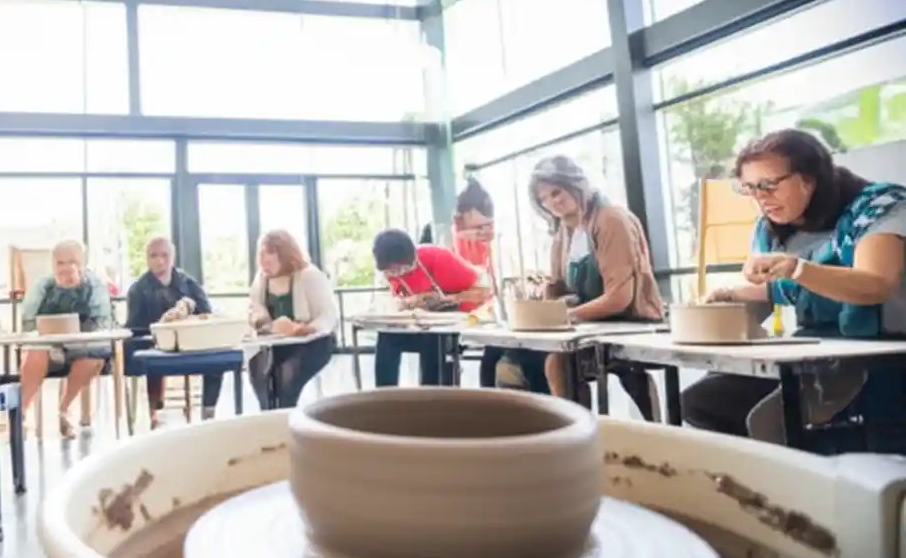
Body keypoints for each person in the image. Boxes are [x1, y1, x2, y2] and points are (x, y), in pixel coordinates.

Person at [682, 129, 906, 448]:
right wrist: (729, 293)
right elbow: (786, 298)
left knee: (773, 422)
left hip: (883, 358)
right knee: (702, 401)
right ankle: (753, 488)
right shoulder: (773, 227)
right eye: (749, 188)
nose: (761, 197)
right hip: (815, 356)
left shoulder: (877, 206)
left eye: (769, 185)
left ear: (809, 178)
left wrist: (797, 269)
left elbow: (876, 284)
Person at [521, 156, 664, 400]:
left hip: (631, 322)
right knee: (518, 359)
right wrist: (540, 305)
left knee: (557, 363)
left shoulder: (611, 219)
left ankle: (581, 430)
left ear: (577, 185)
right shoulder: (562, 232)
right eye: (543, 199)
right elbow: (558, 287)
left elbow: (620, 297)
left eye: (556, 193)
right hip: (589, 325)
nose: (551, 203)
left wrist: (565, 316)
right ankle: (566, 429)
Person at [124, 236, 224, 427]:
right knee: (149, 356)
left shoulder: (188, 283)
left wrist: (186, 314)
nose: (159, 260)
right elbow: (134, 327)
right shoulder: (137, 289)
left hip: (190, 342)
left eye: (164, 255)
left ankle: (208, 410)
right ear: (147, 259)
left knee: (217, 355)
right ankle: (154, 408)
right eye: (154, 255)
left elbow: (206, 313)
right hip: (154, 343)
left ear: (173, 257)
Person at [371, 228, 490, 386]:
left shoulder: (438, 257)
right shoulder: (393, 274)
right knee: (387, 336)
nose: (397, 274)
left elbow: (483, 291)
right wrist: (409, 303)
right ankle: (384, 397)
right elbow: (400, 299)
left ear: (412, 256)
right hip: (422, 323)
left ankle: (430, 396)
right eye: (390, 272)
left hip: (459, 323)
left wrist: (448, 299)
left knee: (434, 338)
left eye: (401, 269)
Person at [19, 238, 113, 439]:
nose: (66, 267)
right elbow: (27, 320)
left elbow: (103, 322)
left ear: (83, 263)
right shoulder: (43, 285)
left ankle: (65, 409)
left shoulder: (94, 286)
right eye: (60, 263)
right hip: (51, 345)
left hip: (84, 345)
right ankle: (19, 414)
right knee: (36, 351)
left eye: (73, 261)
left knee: (93, 357)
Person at [247, 230, 337, 408]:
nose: (265, 259)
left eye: (271, 253)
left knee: (286, 376)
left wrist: (306, 329)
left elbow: (328, 315)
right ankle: (268, 414)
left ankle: (285, 414)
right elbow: (255, 309)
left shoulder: (309, 275)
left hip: (313, 343)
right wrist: (266, 325)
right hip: (276, 343)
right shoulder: (261, 279)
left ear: (285, 253)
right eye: (263, 253)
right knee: (257, 366)